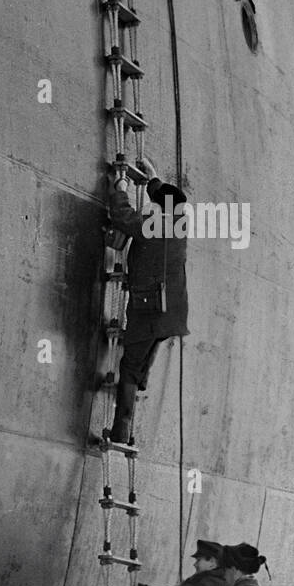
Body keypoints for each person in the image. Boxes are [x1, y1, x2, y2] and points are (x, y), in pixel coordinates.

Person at [106, 157, 189, 446]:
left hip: (149, 311)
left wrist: (120, 187)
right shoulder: (180, 225)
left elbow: (123, 217)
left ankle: (121, 430)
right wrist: (153, 180)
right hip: (171, 315)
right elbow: (167, 199)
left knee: (129, 367)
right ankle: (135, 397)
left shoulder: (153, 225)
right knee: (141, 367)